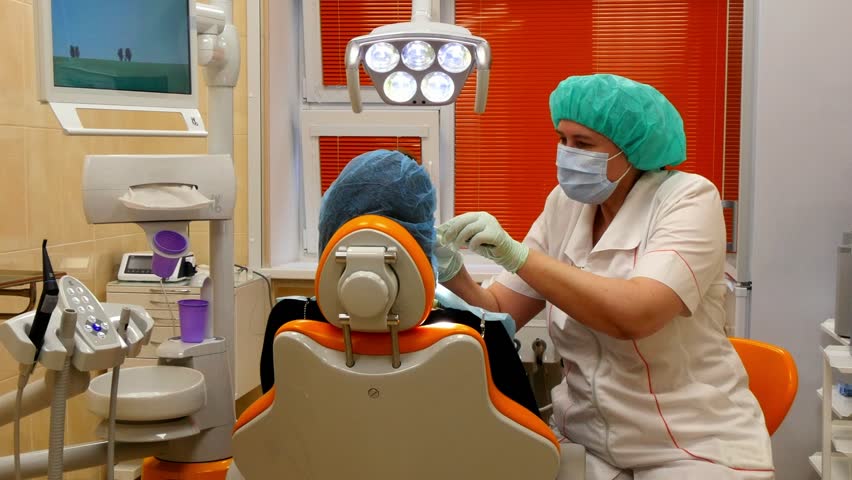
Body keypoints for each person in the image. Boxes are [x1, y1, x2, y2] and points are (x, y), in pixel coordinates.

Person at [436, 74, 773, 480]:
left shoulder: (688, 199)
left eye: (583, 144)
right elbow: (501, 312)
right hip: (586, 444)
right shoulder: (565, 205)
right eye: (562, 139)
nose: (566, 154)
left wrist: (515, 255)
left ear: (631, 149)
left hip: (690, 448)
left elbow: (636, 314)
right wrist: (450, 269)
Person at [259, 149, 539, 416]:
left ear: (331, 226)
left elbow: (278, 429)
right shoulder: (478, 332)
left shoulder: (289, 321)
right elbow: (529, 448)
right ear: (421, 236)